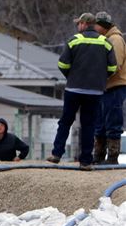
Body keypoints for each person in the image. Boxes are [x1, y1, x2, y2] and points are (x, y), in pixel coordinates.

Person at [48, 12, 118, 170]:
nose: (77, 26)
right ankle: (85, 161)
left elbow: (63, 65)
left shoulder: (74, 40)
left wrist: (71, 77)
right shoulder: (106, 43)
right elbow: (113, 67)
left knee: (66, 121)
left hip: (74, 89)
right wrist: (100, 78)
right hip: (95, 91)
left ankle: (57, 154)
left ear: (85, 24)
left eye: (79, 23)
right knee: (89, 125)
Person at [92, 11, 125, 164]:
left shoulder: (115, 40)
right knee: (101, 122)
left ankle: (112, 157)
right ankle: (98, 155)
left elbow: (115, 65)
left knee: (113, 121)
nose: (94, 28)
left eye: (96, 25)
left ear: (102, 26)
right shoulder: (106, 39)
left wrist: (98, 76)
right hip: (106, 87)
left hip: (115, 86)